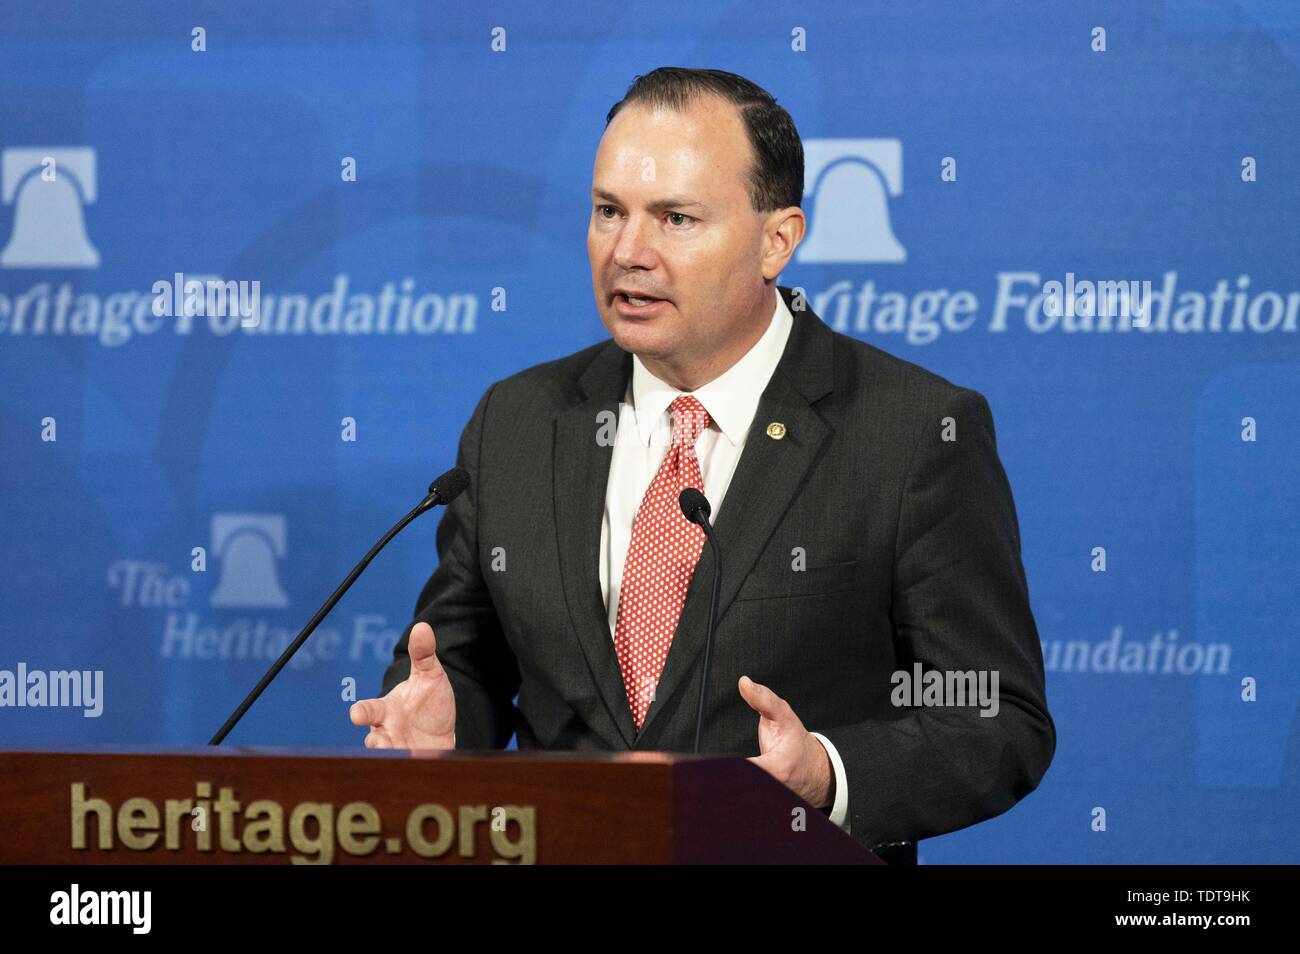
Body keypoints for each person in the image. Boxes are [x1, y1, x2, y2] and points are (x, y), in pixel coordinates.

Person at [350, 67, 1054, 862]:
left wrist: (827, 772)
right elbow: (461, 666)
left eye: (676, 218)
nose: (628, 251)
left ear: (776, 240)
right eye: (608, 211)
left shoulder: (912, 433)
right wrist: (445, 730)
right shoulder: (518, 422)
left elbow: (996, 718)